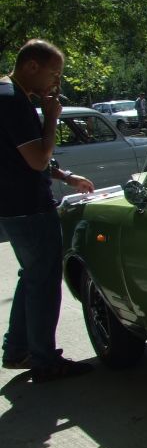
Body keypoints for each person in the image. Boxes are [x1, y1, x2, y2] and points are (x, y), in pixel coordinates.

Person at [1, 39, 95, 381]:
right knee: (43, 282)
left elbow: (22, 158)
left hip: (14, 206)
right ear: (31, 66)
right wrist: (51, 118)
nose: (55, 82)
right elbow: (37, 157)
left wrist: (65, 176)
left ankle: (17, 350)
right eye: (53, 73)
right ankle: (44, 360)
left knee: (31, 276)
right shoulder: (13, 102)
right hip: (28, 207)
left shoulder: (8, 94)